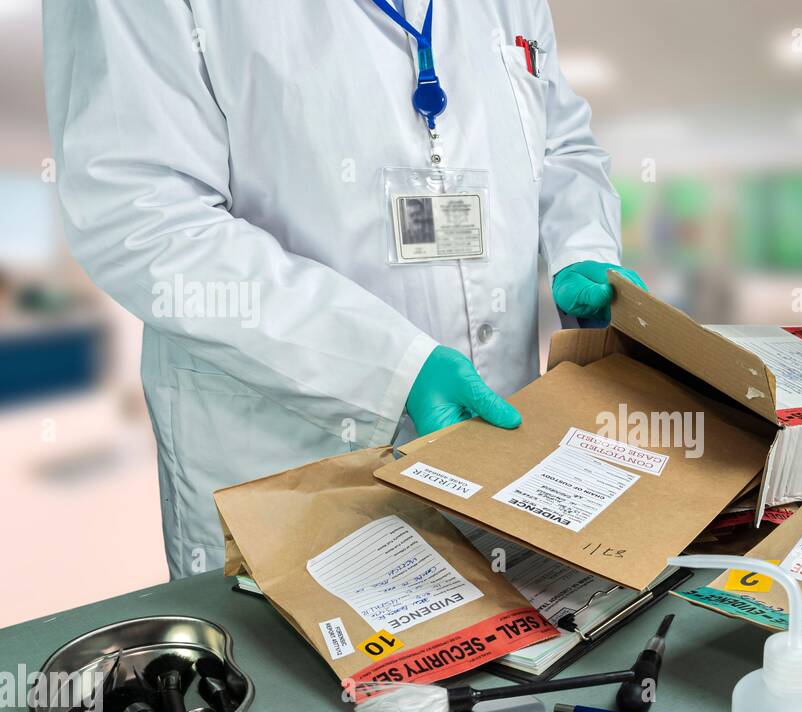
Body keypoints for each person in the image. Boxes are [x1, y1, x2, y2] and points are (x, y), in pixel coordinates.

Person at [42, 0, 643, 578]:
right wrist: (389, 365)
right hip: (289, 459)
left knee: (521, 666)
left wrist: (581, 246)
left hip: (502, 444)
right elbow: (142, 215)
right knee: (306, 674)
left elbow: (562, 143)